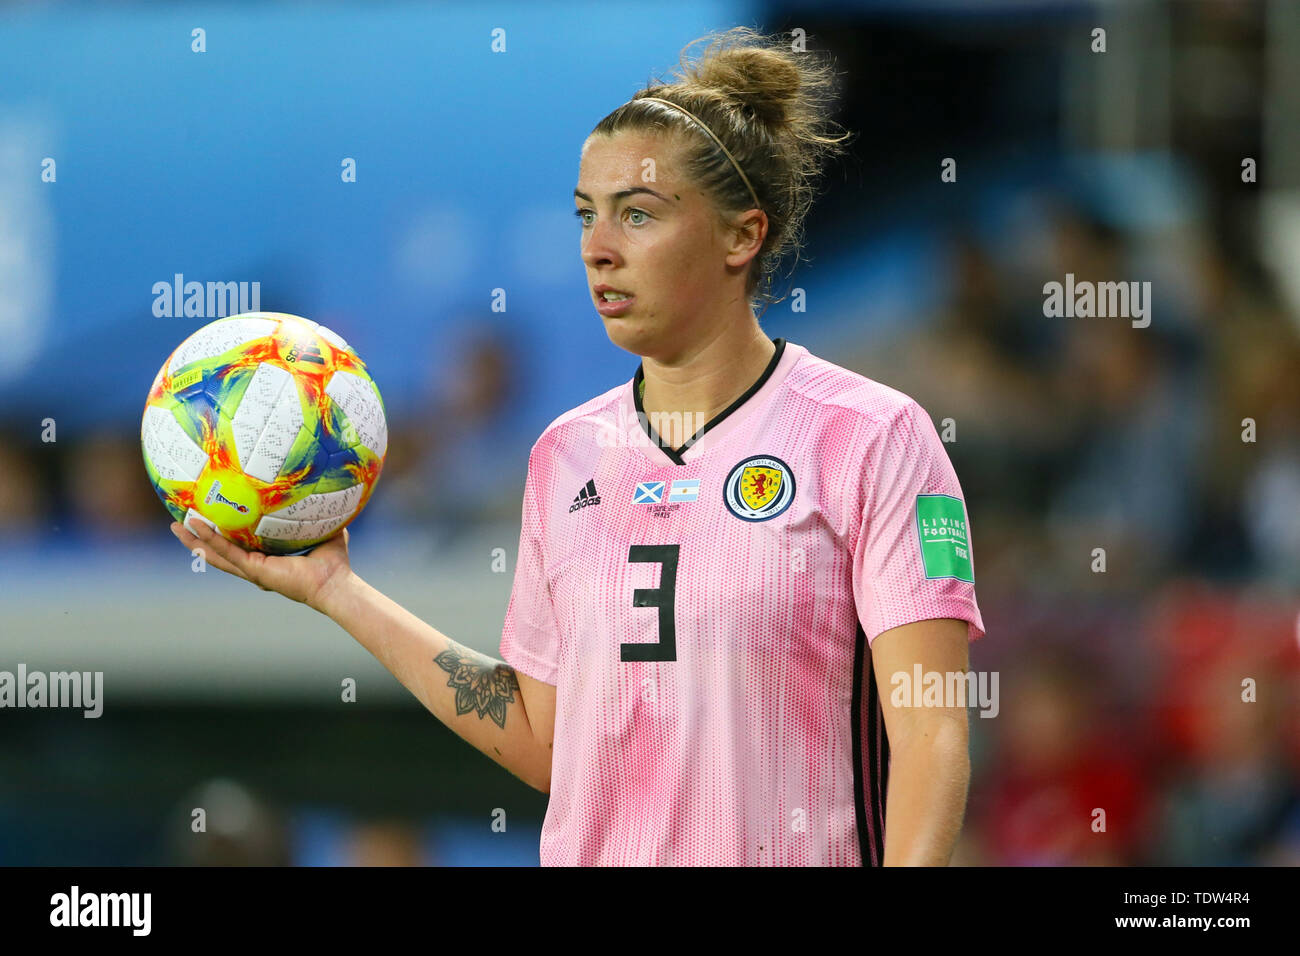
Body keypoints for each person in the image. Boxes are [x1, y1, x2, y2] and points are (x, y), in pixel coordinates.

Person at [171, 27, 985, 866]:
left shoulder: (872, 436)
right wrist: (338, 589)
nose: (599, 246)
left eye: (638, 214)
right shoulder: (567, 455)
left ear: (742, 237)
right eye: (586, 214)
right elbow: (545, 742)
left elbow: (931, 734)